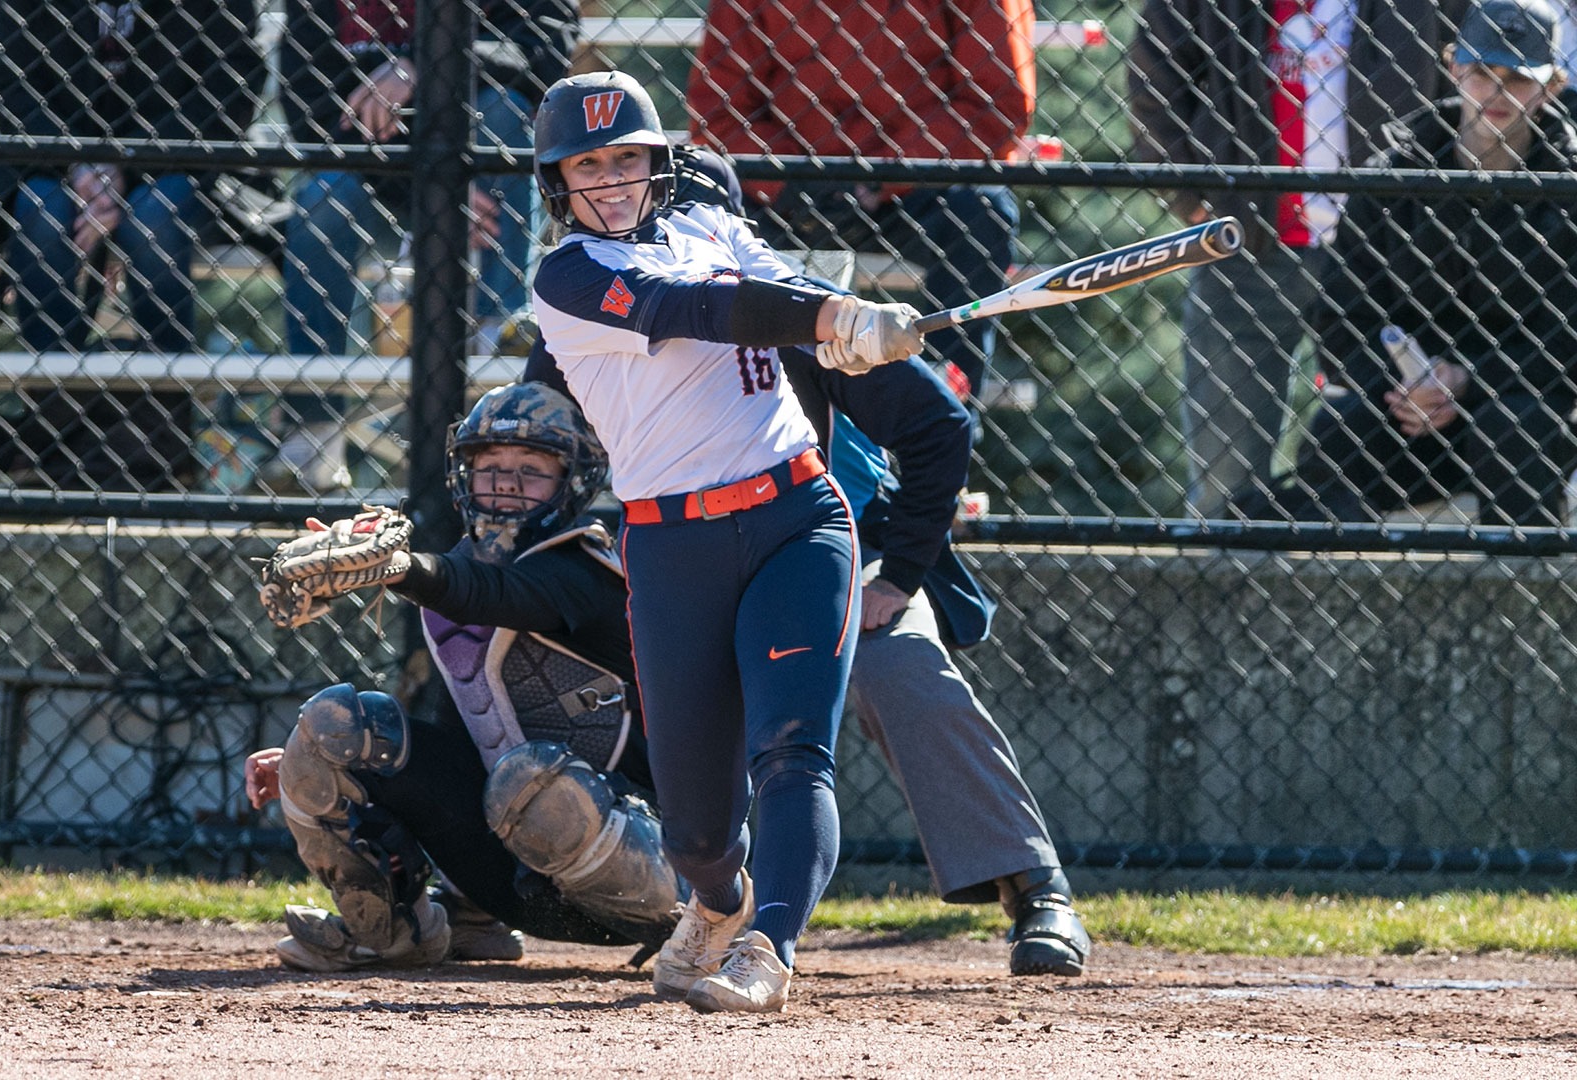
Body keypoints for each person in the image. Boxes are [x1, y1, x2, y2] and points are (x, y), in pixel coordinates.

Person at [527, 146, 1093, 978]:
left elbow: (939, 426)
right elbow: (554, 425)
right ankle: (699, 888)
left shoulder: (803, 322)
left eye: (671, 205)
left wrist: (899, 575)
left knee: (899, 668)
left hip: (842, 545)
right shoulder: (604, 295)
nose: (642, 219)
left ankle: (1034, 884)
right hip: (684, 545)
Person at [529, 70, 923, 1013]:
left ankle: (769, 948)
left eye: (628, 159)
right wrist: (829, 317)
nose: (612, 181)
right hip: (674, 548)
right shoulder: (567, 279)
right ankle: (718, 902)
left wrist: (841, 330)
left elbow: (776, 292)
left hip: (797, 515)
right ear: (559, 182)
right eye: (589, 166)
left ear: (659, 164)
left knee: (793, 752)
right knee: (697, 832)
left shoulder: (710, 226)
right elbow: (695, 310)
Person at [247, 381, 679, 971]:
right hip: (508, 876)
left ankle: (701, 926)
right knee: (332, 725)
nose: (506, 481)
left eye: (531, 469)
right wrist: (321, 761)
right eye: (489, 465)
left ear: (573, 481)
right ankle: (409, 930)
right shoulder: (461, 570)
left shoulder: (583, 571)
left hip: (637, 872)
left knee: (530, 778)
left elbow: (494, 593)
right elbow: (466, 732)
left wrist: (398, 569)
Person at [1129, 0, 1441, 518]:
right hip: (1249, 245)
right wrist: (1193, 197)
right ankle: (1225, 556)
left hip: (1378, 254)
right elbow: (1153, 78)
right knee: (1225, 466)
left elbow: (1459, 81)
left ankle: (1358, 562)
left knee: (1371, 456)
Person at [1275, 0, 1577, 527]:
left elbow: (1567, 345)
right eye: (1482, 71)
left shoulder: (1568, 188)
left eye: (1518, 78)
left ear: (1552, 86)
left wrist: (1469, 379)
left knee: (1515, 428)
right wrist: (1404, 386)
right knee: (1339, 432)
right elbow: (1341, 317)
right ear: (1452, 65)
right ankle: (1329, 575)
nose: (1497, 92)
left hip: (1523, 409)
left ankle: (1521, 578)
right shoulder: (1394, 174)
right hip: (1407, 404)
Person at [0, 0, 259, 491]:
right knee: (40, 211)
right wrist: (78, 163)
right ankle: (51, 427)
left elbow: (234, 85)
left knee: (153, 215)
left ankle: (164, 428)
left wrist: (128, 163)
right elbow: (5, 80)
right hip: (53, 163)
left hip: (178, 164)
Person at [684, 0, 1036, 401]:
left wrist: (884, 176)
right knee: (697, 211)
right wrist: (789, 183)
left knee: (982, 212)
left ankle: (943, 409)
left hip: (916, 189)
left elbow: (996, 101)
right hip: (787, 190)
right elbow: (719, 107)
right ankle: (732, 406)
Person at [279, 0, 576, 356]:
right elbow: (309, 105)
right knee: (323, 196)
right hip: (379, 182)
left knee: (502, 106)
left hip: (479, 185)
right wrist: (433, 193)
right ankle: (315, 382)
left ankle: (500, 332)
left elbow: (541, 54)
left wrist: (421, 65)